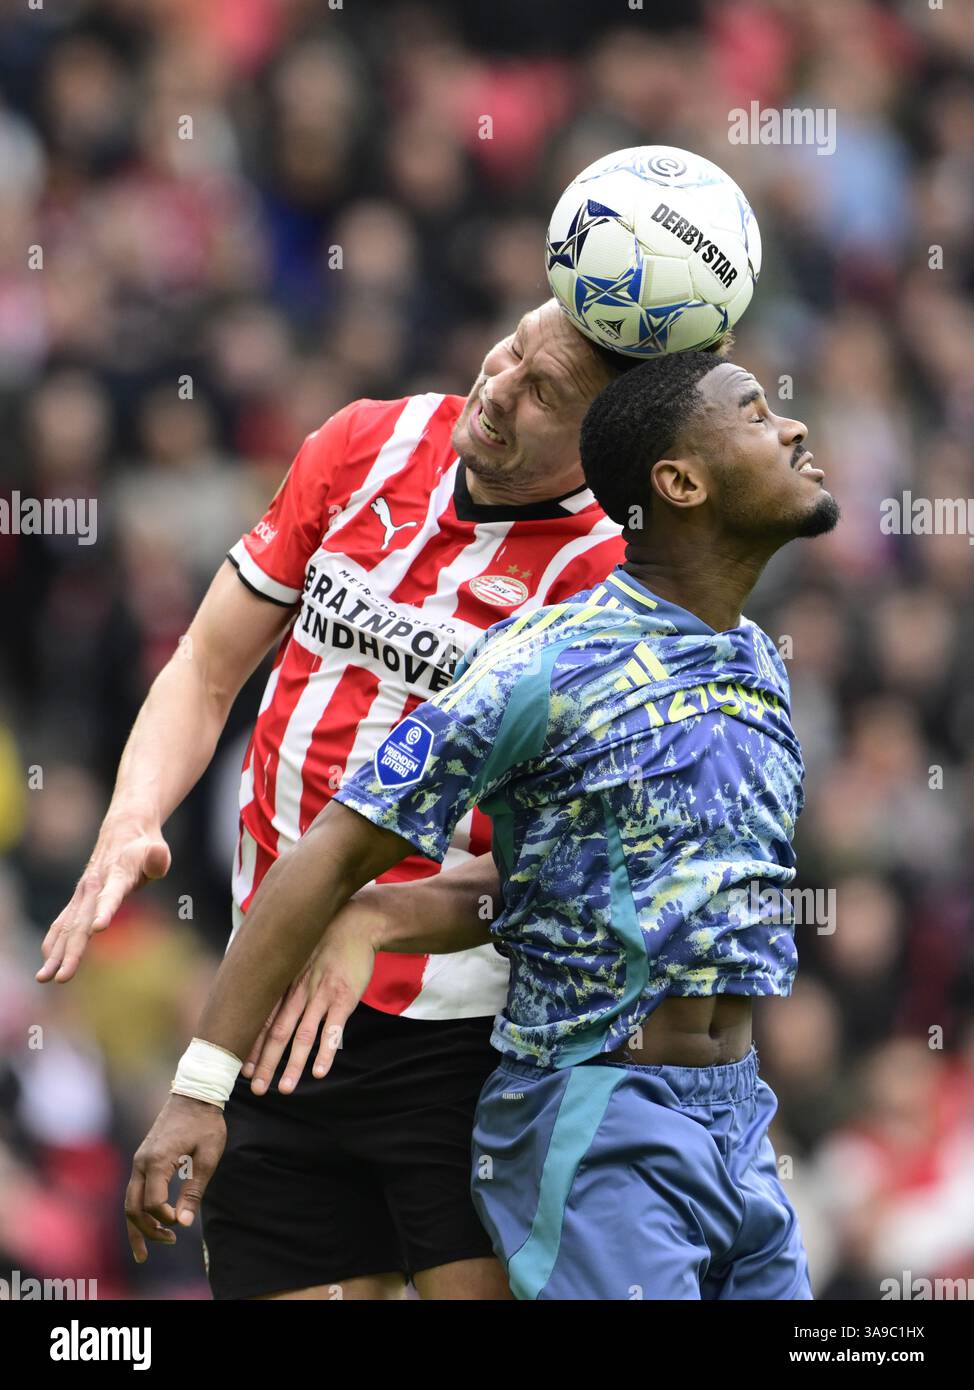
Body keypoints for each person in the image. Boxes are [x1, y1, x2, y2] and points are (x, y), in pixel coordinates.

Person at [125, 348, 839, 1299]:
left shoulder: (755, 658)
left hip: (737, 1121)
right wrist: (200, 1087)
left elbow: (551, 876)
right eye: (755, 414)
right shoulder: (541, 666)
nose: (792, 427)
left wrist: (385, 917)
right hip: (598, 1116)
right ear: (679, 483)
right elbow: (331, 850)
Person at [38, 299, 633, 1301]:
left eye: (542, 392)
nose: (498, 390)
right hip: (269, 1006)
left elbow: (547, 876)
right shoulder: (366, 443)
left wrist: (377, 918)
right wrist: (132, 815)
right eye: (509, 351)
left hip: (461, 1044)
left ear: (604, 438)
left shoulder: (608, 586)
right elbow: (206, 667)